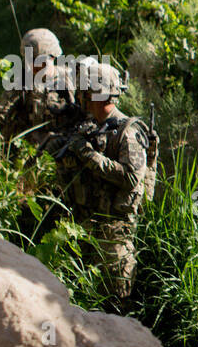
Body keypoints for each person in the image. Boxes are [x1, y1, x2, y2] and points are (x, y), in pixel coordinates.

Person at [49, 61, 152, 299]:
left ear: (95, 95)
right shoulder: (92, 127)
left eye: (84, 93)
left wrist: (89, 155)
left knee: (115, 305)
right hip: (86, 229)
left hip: (113, 237)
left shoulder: (129, 132)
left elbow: (130, 177)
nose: (81, 98)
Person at [0, 28, 74, 147]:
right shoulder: (22, 81)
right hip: (27, 148)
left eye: (41, 61)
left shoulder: (71, 80)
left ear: (53, 57)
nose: (35, 66)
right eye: (31, 61)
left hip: (62, 147)